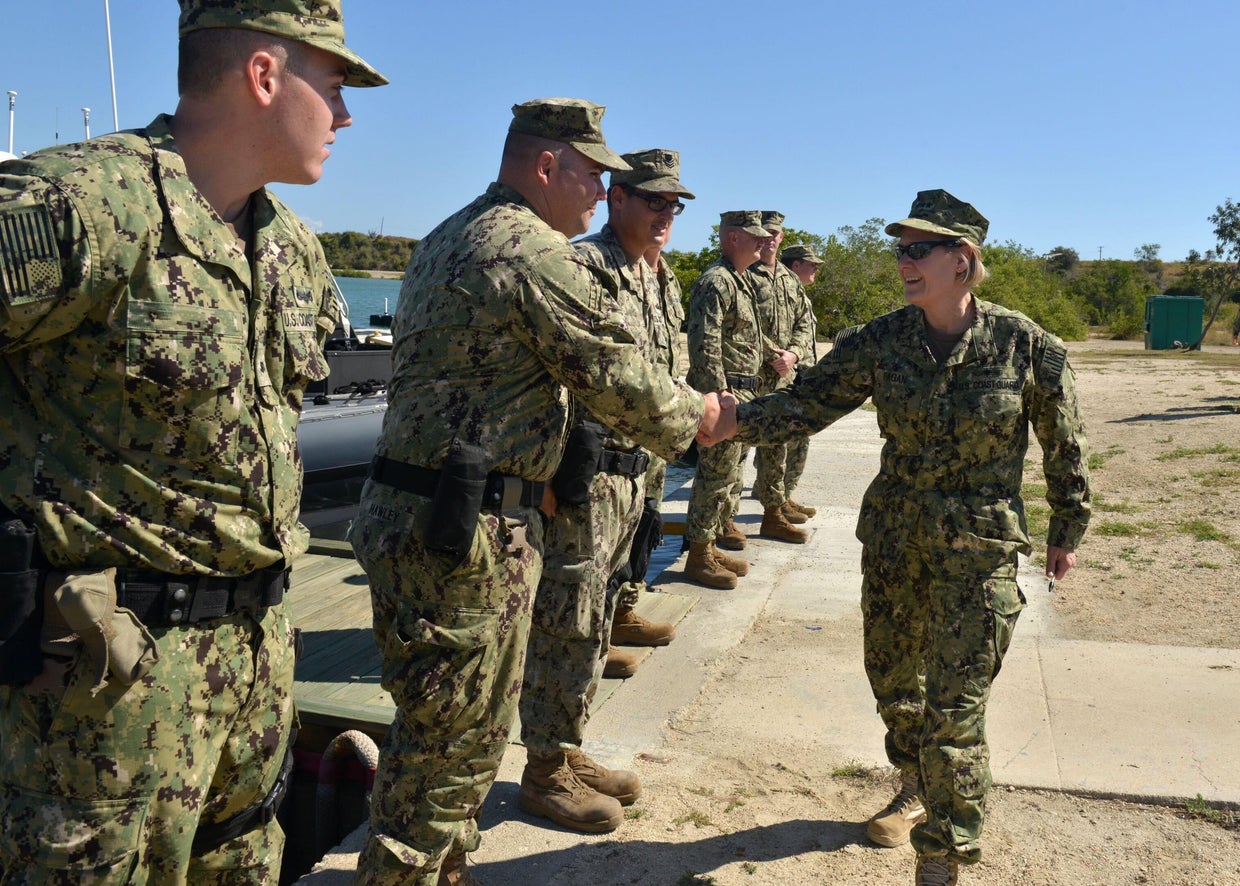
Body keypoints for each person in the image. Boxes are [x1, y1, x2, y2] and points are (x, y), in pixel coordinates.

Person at [0, 2, 386, 882]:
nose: (345, 115)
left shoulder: (290, 250)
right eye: (334, 86)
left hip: (253, 671)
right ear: (264, 75)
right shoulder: (81, 208)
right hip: (104, 696)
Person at [348, 99, 722, 886]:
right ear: (548, 165)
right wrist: (705, 419)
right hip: (462, 528)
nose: (601, 192)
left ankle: (445, 864)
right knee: (449, 742)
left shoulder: (455, 231)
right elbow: (617, 375)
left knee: (459, 729)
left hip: (444, 512)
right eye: (593, 175)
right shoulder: (527, 248)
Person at [705, 190, 1091, 885]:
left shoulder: (1026, 344)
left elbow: (1064, 442)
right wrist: (733, 421)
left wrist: (1068, 525)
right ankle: (914, 781)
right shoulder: (881, 340)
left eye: (918, 250)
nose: (903, 263)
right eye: (900, 251)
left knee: (956, 709)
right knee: (893, 685)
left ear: (962, 259)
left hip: (979, 553)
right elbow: (809, 401)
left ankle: (943, 856)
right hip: (894, 544)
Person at [517, 148, 696, 835]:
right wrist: (551, 475)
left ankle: (567, 746)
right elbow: (554, 379)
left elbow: (665, 375)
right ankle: (544, 769)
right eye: (654, 201)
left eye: (674, 205)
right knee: (566, 618)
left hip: (635, 472)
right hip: (585, 476)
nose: (666, 215)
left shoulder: (662, 279)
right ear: (617, 198)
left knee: (595, 618)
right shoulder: (586, 266)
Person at [683, 210, 769, 589]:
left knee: (732, 473)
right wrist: (718, 397)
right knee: (715, 476)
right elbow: (705, 344)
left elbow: (747, 337)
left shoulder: (741, 280)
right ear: (733, 238)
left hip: (744, 391)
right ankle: (698, 555)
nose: (763, 241)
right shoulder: (716, 281)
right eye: (755, 236)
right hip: (726, 393)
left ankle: (713, 541)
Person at [748, 211, 817, 544]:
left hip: (785, 377)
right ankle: (723, 521)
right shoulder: (743, 275)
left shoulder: (789, 280)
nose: (770, 238)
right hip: (751, 376)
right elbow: (742, 324)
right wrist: (773, 353)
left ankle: (774, 511)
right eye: (764, 232)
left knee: (779, 445)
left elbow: (804, 323)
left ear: (781, 237)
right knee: (737, 452)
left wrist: (793, 354)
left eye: (775, 233)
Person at [777, 243, 824, 519]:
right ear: (796, 265)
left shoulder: (798, 294)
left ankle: (784, 494)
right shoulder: (783, 293)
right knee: (786, 441)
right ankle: (778, 498)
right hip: (787, 378)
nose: (816, 269)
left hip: (801, 377)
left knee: (797, 440)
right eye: (812, 264)